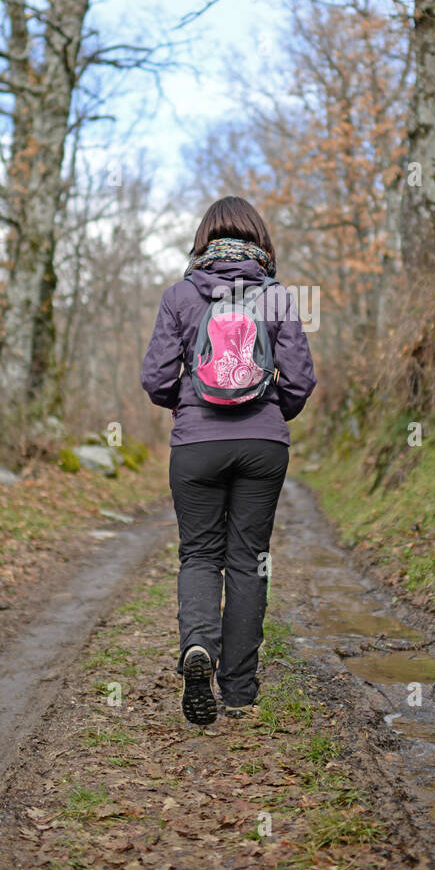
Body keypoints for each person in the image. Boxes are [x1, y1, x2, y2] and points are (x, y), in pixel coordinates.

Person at [141, 196, 317, 726]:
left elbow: (155, 379)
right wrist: (270, 414)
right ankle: (239, 691)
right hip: (264, 447)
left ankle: (199, 647)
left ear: (203, 241)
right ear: (259, 240)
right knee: (248, 560)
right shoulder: (278, 297)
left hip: (196, 445)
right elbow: (302, 380)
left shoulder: (180, 294)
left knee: (199, 554)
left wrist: (186, 405)